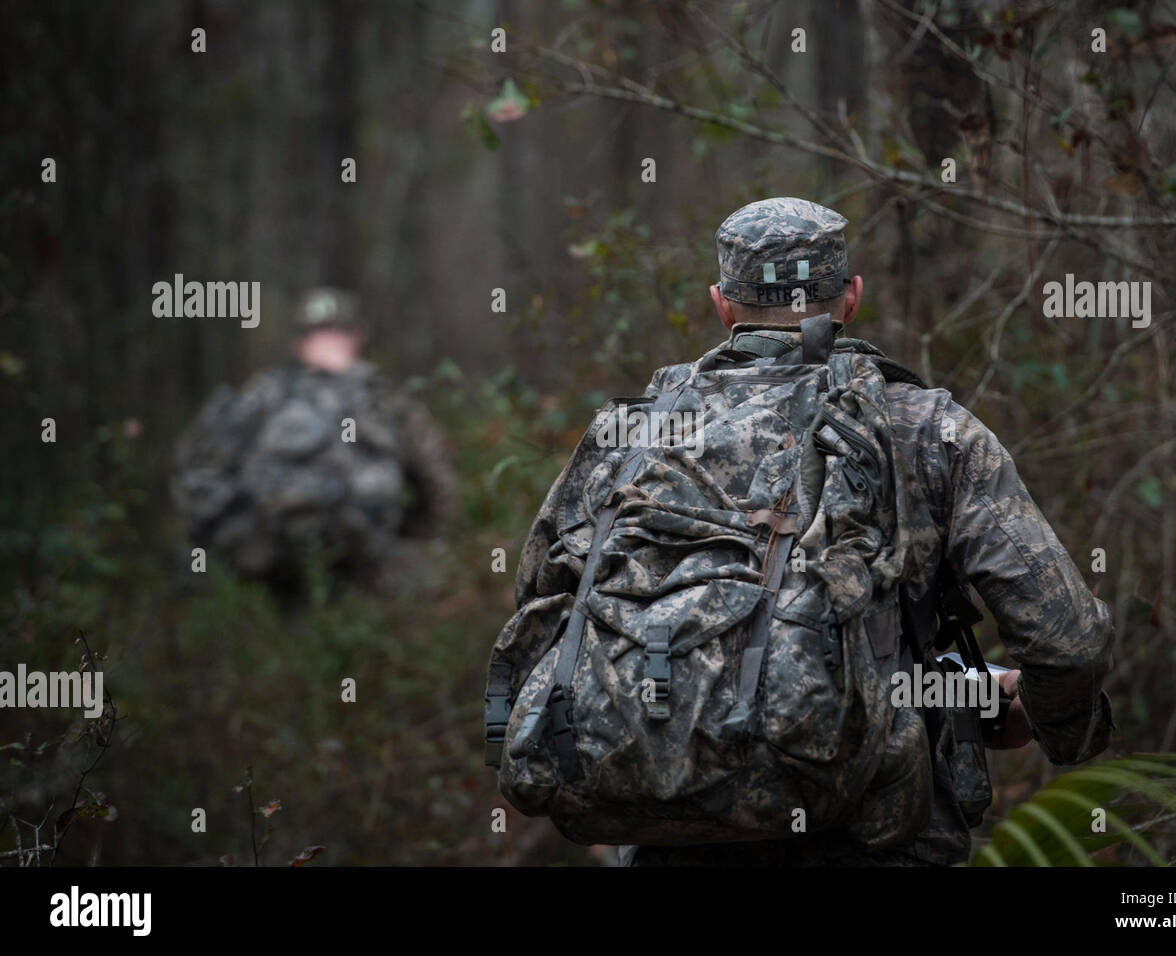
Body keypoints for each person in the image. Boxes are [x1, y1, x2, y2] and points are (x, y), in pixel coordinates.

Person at [492, 198, 1114, 866]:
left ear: (720, 304)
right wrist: (1059, 728)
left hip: (667, 832)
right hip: (872, 834)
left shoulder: (631, 434)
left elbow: (543, 617)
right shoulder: (927, 429)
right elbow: (1064, 640)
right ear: (851, 296)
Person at [172, 287, 455, 593]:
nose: (328, 342)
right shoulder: (383, 398)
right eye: (323, 334)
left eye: (333, 333)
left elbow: (201, 478)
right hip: (343, 566)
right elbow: (436, 486)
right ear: (357, 337)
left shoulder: (261, 394)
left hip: (277, 566)